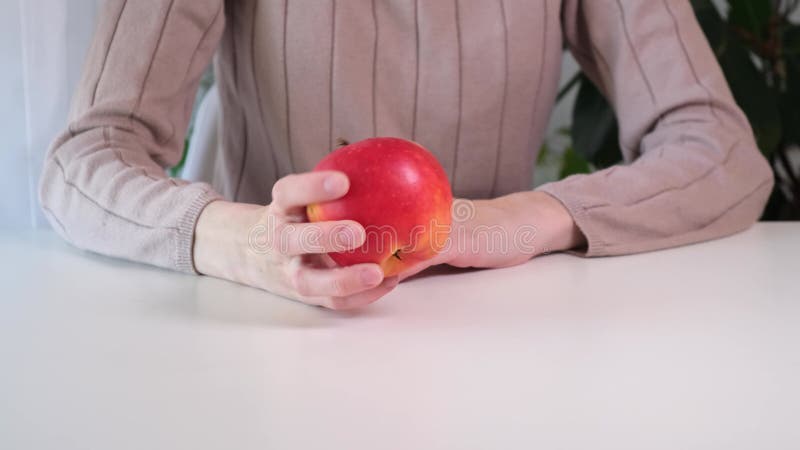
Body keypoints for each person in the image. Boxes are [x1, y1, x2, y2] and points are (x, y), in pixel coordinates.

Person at [39, 0, 774, 310]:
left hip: (489, 343)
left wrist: (516, 221)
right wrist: (243, 242)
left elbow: (722, 152)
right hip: (260, 329)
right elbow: (83, 161)